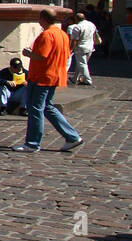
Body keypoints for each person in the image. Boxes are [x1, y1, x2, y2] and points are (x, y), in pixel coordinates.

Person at [14, 8, 83, 153]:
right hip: (55, 75)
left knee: (35, 108)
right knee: (48, 107)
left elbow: (42, 56)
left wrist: (28, 53)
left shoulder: (47, 35)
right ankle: (72, 136)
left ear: (43, 19)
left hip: (42, 76)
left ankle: (32, 143)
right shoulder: (62, 34)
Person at [67, 12, 99, 86]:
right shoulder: (91, 24)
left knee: (82, 64)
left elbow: (75, 40)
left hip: (81, 48)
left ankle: (88, 80)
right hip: (90, 46)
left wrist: (71, 49)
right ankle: (75, 78)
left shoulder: (78, 27)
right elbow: (94, 35)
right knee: (81, 64)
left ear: (76, 19)